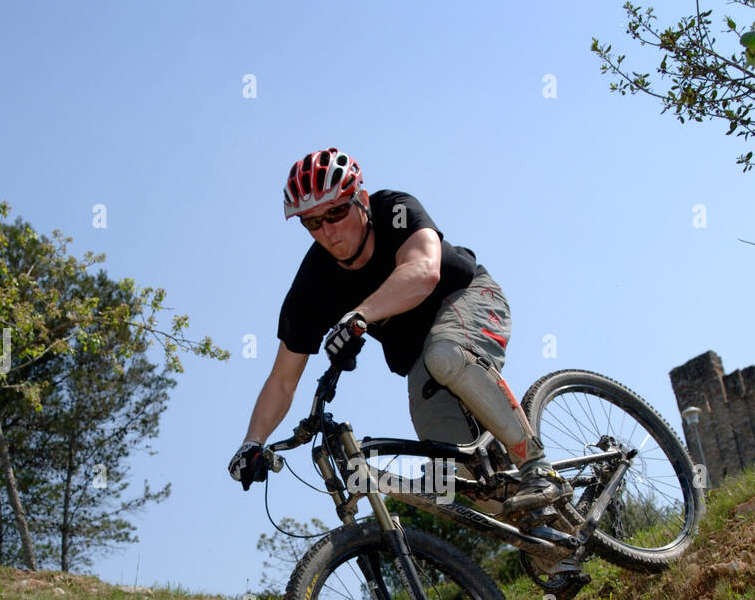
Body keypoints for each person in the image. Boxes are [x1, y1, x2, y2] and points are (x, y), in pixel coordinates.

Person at [228, 147, 567, 520]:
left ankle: (538, 466)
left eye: (336, 212)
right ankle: (554, 547)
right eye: (312, 222)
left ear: (359, 199)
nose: (328, 231)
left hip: (468, 299)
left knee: (445, 353)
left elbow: (424, 271)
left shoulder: (394, 209)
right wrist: (252, 442)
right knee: (455, 473)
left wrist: (359, 315)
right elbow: (281, 380)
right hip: (419, 357)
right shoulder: (313, 284)